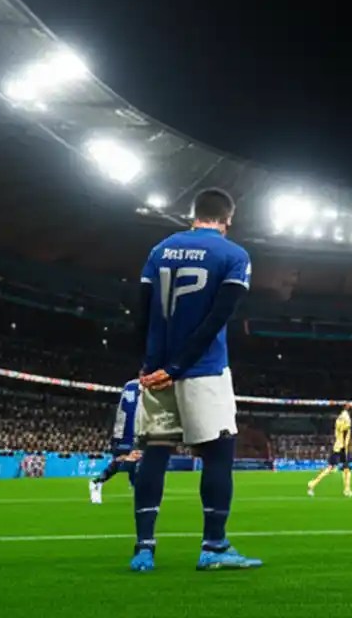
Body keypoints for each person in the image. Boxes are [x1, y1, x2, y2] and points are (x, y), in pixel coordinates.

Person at [130, 188, 261, 572]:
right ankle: (214, 547)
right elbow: (217, 318)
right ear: (229, 217)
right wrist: (179, 366)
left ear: (194, 214)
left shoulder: (160, 250)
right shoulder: (234, 255)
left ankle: (144, 549)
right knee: (219, 454)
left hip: (155, 370)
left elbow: (141, 311)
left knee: (154, 452)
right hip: (203, 369)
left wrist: (149, 364)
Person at [89, 378, 142, 504]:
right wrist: (118, 434)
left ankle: (138, 490)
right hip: (127, 431)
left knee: (137, 459)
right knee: (123, 459)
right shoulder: (132, 386)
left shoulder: (148, 387)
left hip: (139, 431)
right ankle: (97, 482)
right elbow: (124, 411)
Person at [307, 404, 352, 497]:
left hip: (338, 445)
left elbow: (339, 430)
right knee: (334, 468)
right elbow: (343, 431)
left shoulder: (340, 417)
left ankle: (347, 489)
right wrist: (347, 445)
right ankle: (312, 483)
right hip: (342, 447)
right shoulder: (346, 418)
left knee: (346, 469)